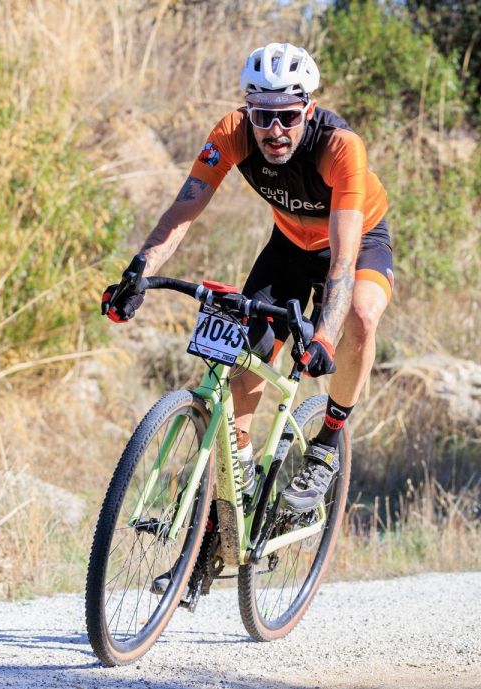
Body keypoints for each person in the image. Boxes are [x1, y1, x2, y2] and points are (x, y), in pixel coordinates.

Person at [102, 42, 393, 514]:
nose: (274, 131)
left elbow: (342, 261)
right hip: (289, 246)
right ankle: (233, 490)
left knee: (360, 316)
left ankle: (325, 446)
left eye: (288, 117)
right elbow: (183, 210)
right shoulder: (231, 134)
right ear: (247, 110)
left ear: (308, 109)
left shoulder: (340, 147)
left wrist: (324, 336)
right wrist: (137, 271)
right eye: (262, 116)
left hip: (357, 242)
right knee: (247, 352)